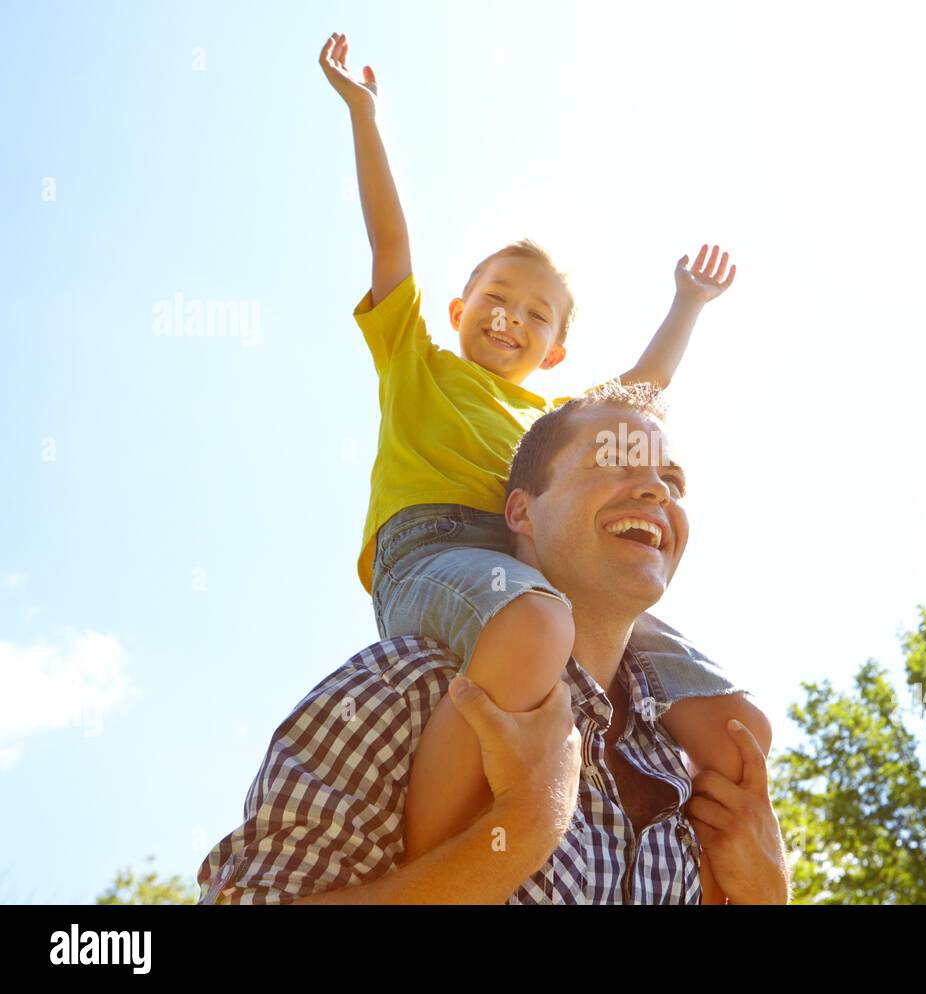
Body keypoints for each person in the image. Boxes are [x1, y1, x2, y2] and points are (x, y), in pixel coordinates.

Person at [318, 30, 768, 860]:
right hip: (434, 552)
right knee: (532, 626)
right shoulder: (414, 359)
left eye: (535, 314)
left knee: (736, 726)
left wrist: (689, 303)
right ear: (457, 311)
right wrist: (365, 115)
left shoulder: (551, 419)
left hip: (547, 562)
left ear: (554, 348)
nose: (510, 318)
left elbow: (640, 394)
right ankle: (437, 862)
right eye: (495, 297)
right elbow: (391, 246)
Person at [196, 384, 787, 903]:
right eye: (613, 462)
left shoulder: (689, 767)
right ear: (521, 511)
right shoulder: (404, 689)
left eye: (673, 480)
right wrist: (524, 828)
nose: (657, 490)